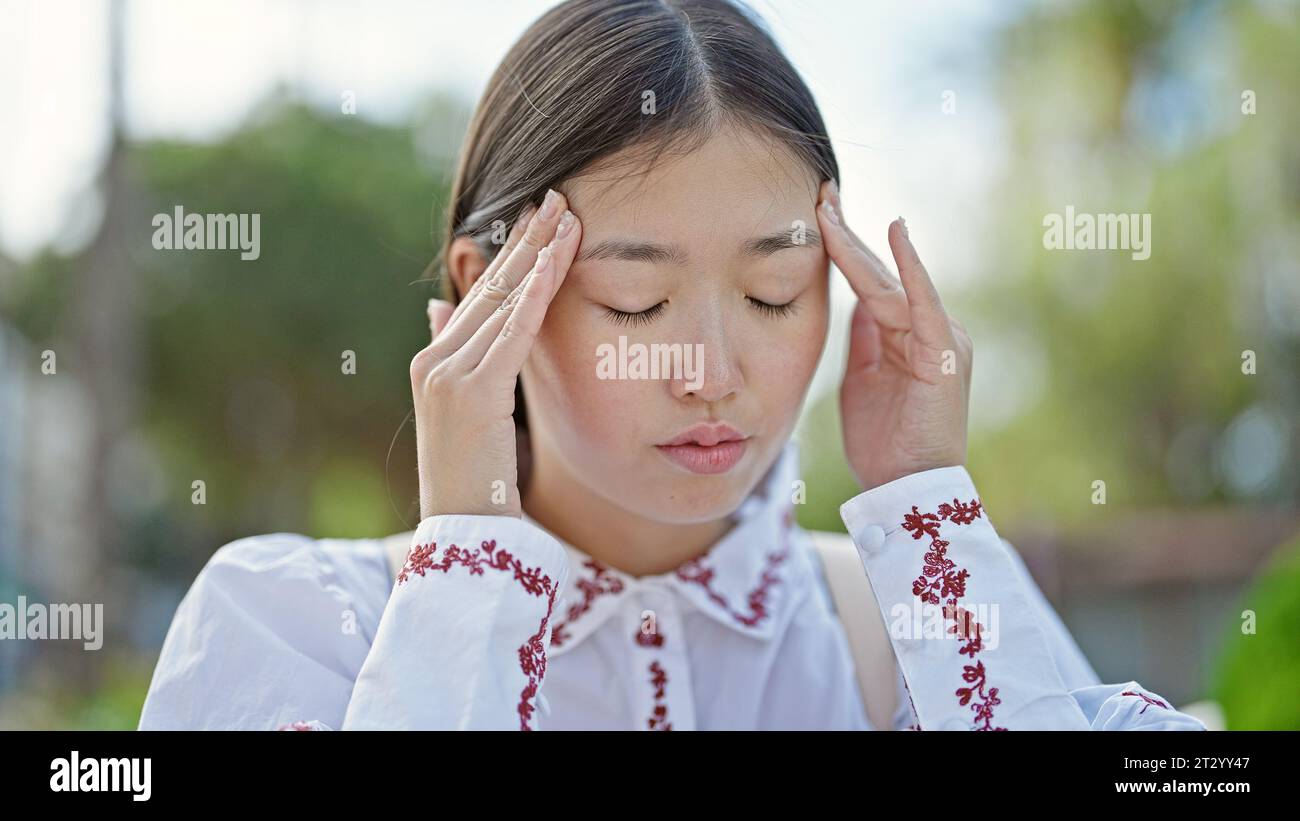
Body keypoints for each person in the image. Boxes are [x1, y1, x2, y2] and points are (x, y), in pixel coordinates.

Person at [138, 0, 1204, 731]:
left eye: (773, 292)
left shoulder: (916, 613)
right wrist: (468, 564)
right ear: (482, 292)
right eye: (634, 302)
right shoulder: (289, 620)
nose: (713, 371)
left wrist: (925, 502)